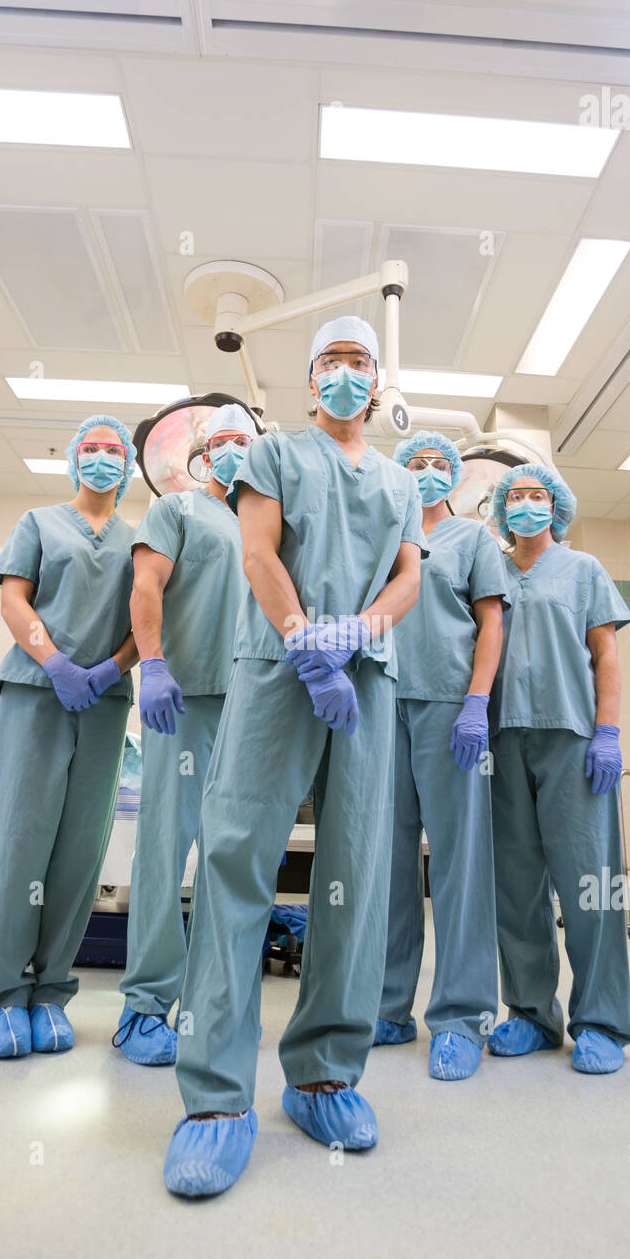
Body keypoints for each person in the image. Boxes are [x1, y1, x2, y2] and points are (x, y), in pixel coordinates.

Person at [163, 315, 426, 1196]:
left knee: (355, 872)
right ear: (312, 383)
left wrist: (361, 630)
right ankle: (214, 1099)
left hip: (369, 672)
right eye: (332, 363)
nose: (347, 375)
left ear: (378, 380)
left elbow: (408, 576)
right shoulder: (272, 455)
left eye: (360, 362)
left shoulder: (397, 479)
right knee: (238, 861)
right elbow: (257, 550)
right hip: (279, 669)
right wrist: (305, 640)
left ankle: (322, 1075)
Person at [0, 416, 138, 1059]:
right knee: (20, 840)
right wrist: (57, 663)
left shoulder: (138, 540)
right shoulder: (39, 523)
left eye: (112, 450)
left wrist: (109, 669)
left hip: (104, 699)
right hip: (38, 692)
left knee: (79, 851)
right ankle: (3, 998)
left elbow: (144, 618)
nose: (100, 459)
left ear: (128, 465)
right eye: (89, 449)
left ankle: (50, 993)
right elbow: (15, 601)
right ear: (74, 461)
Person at [113, 404, 255, 1065]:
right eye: (217, 442)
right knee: (166, 852)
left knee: (236, 858)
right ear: (200, 455)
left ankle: (218, 1004)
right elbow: (147, 586)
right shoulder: (176, 510)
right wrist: (155, 665)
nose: (229, 450)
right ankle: (143, 1009)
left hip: (254, 707)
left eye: (241, 441)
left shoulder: (269, 524)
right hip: (187, 699)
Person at [487, 462, 630, 1075]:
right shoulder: (488, 569)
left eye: (536, 495)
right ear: (499, 509)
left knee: (588, 884)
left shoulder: (583, 570)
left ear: (556, 506)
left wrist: (608, 731)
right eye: (514, 496)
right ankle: (528, 1014)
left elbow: (606, 655)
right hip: (501, 739)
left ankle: (600, 1021)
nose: (524, 504)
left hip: (572, 738)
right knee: (516, 886)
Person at [373, 431, 507, 1080]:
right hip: (381, 708)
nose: (425, 472)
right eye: (413, 464)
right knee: (386, 865)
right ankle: (385, 1005)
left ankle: (460, 1018)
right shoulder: (383, 535)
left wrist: (477, 701)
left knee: (459, 864)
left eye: (436, 465)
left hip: (450, 710)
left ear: (454, 476)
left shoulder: (473, 541)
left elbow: (491, 624)